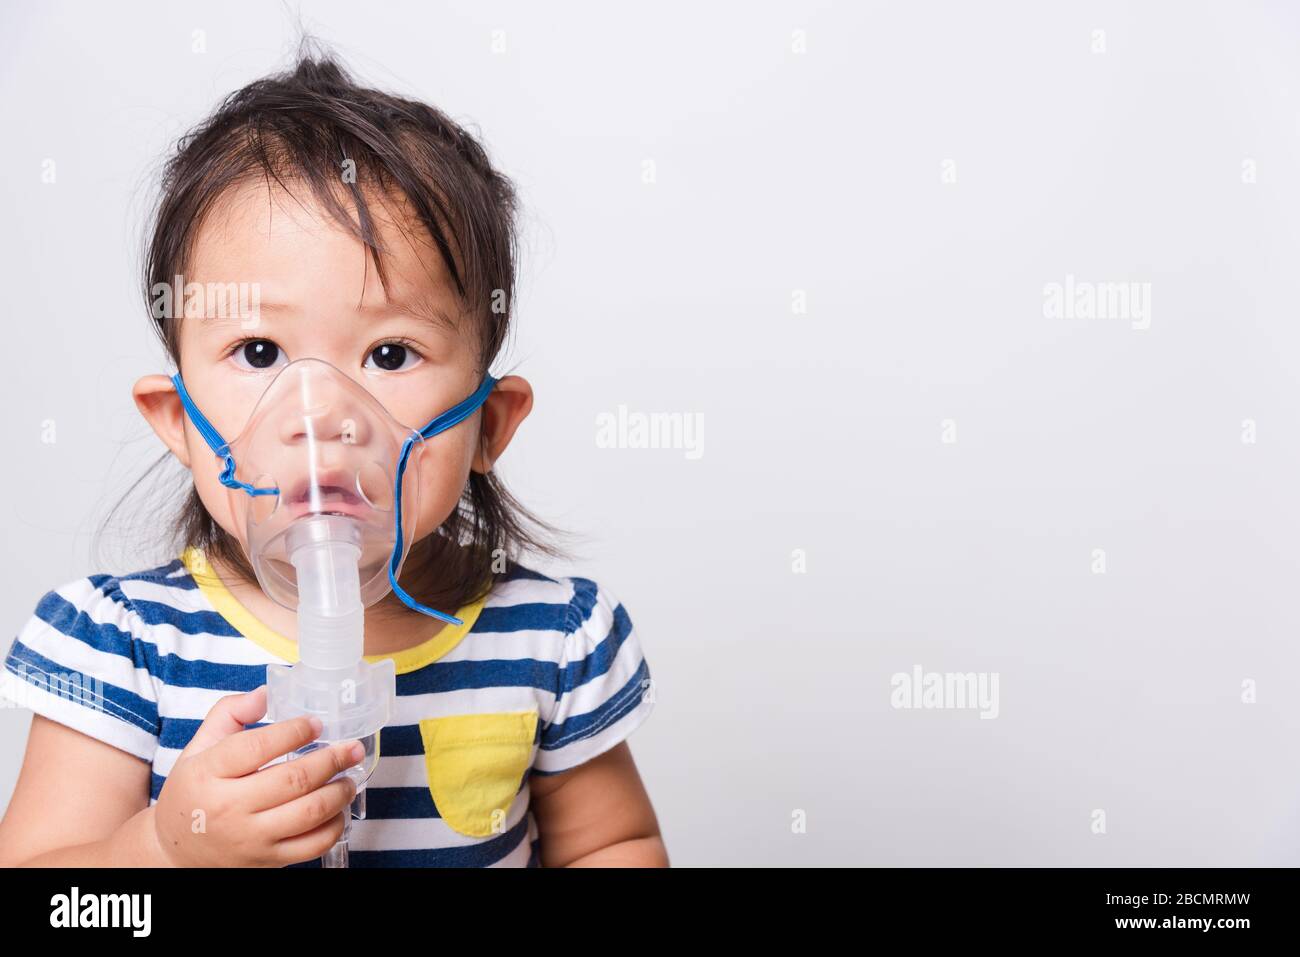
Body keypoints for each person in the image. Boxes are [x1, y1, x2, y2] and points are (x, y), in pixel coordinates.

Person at [0, 47, 665, 868]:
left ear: (488, 424)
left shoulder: (551, 641)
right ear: (176, 418)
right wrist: (168, 848)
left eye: (389, 354)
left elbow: (615, 843)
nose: (319, 416)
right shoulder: (120, 648)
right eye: (258, 350)